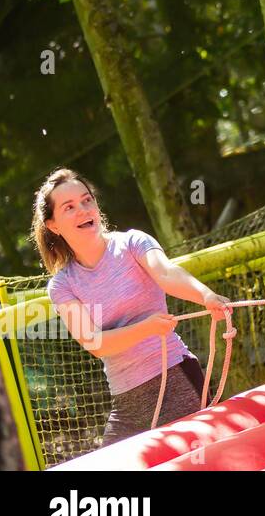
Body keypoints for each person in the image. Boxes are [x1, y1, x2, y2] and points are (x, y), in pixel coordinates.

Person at [36, 168, 231, 445]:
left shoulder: (133, 242)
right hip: (126, 403)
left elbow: (166, 273)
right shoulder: (61, 285)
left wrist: (206, 295)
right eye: (69, 207)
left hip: (176, 380)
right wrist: (147, 327)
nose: (83, 209)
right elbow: (95, 343)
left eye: (87, 200)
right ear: (53, 225)